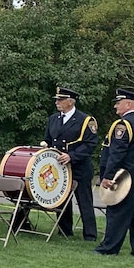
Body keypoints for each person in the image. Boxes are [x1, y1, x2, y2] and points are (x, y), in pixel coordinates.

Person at [95, 89, 134, 257]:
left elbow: (117, 153)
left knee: (117, 214)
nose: (116, 106)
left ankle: (108, 249)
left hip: (125, 179)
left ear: (128, 104)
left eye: (118, 102)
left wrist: (108, 176)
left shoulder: (123, 125)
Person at [45, 87, 99, 241]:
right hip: (60, 167)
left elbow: (90, 144)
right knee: (61, 199)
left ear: (70, 101)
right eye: (57, 100)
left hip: (79, 167)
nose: (57, 103)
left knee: (84, 201)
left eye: (60, 100)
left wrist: (71, 156)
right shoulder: (53, 119)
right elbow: (48, 139)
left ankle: (90, 234)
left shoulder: (86, 120)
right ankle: (64, 230)